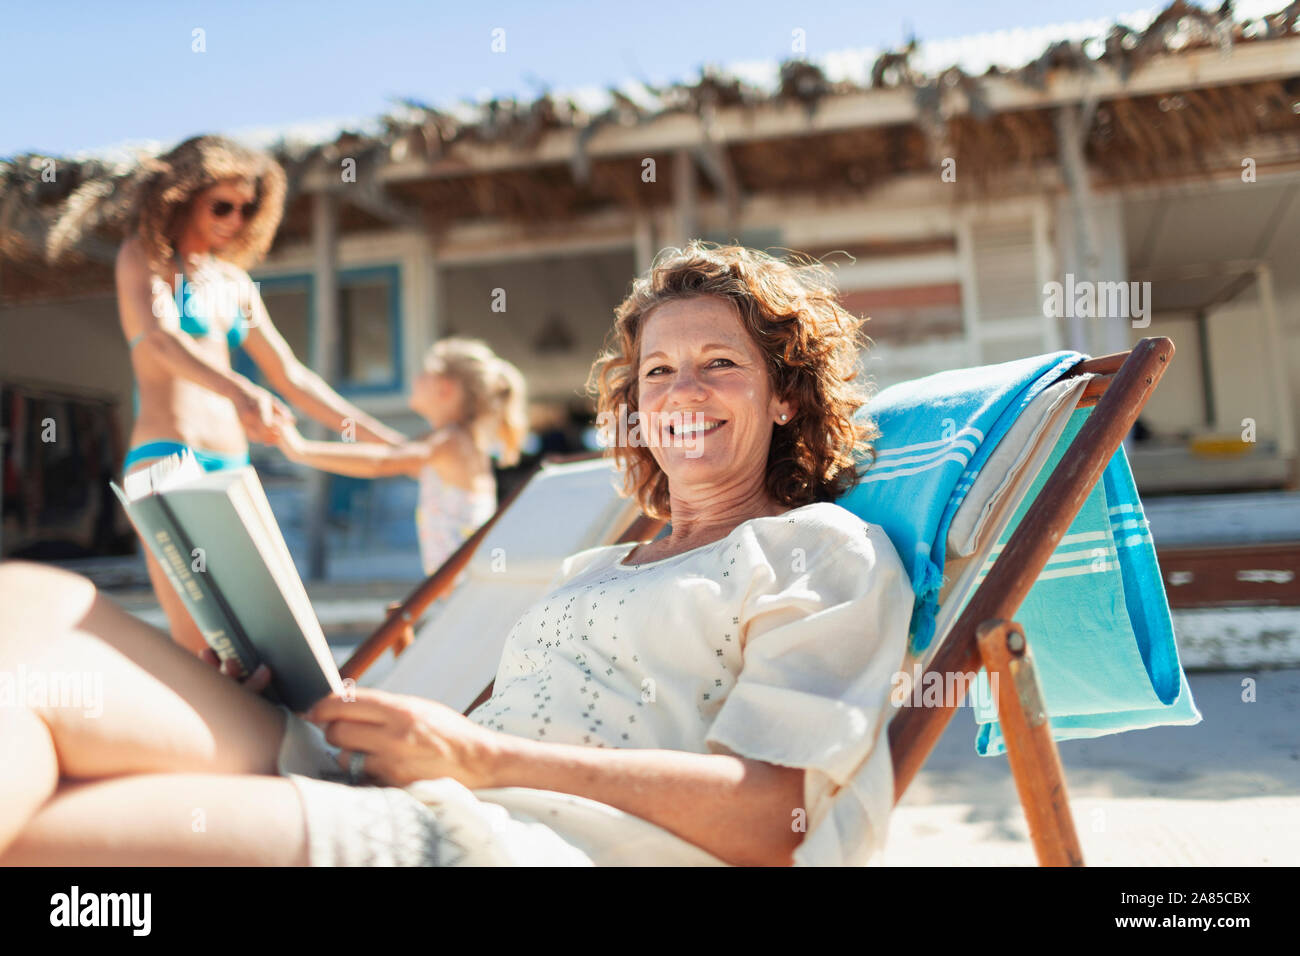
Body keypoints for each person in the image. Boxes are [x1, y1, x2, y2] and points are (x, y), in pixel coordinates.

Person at [0, 242, 915, 867]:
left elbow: (777, 820)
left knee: (54, 836)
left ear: (785, 398)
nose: (685, 390)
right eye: (659, 371)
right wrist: (311, 700)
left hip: (520, 846)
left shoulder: (817, 551)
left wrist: (482, 763)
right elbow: (484, 729)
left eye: (722, 363)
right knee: (33, 603)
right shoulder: (592, 569)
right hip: (415, 786)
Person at [90, 134, 406, 656]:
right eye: (222, 204)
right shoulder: (146, 257)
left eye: (248, 208)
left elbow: (291, 375)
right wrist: (240, 391)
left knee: (269, 634)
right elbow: (161, 340)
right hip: (169, 458)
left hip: (234, 465)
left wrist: (389, 441)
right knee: (203, 641)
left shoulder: (234, 283)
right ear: (181, 195)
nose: (235, 219)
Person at [275, 338, 527, 575]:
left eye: (424, 375)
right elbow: (392, 447)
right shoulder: (457, 441)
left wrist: (301, 449)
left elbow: (384, 461)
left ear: (444, 388)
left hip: (463, 589)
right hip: (463, 586)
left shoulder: (449, 442)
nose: (415, 380)